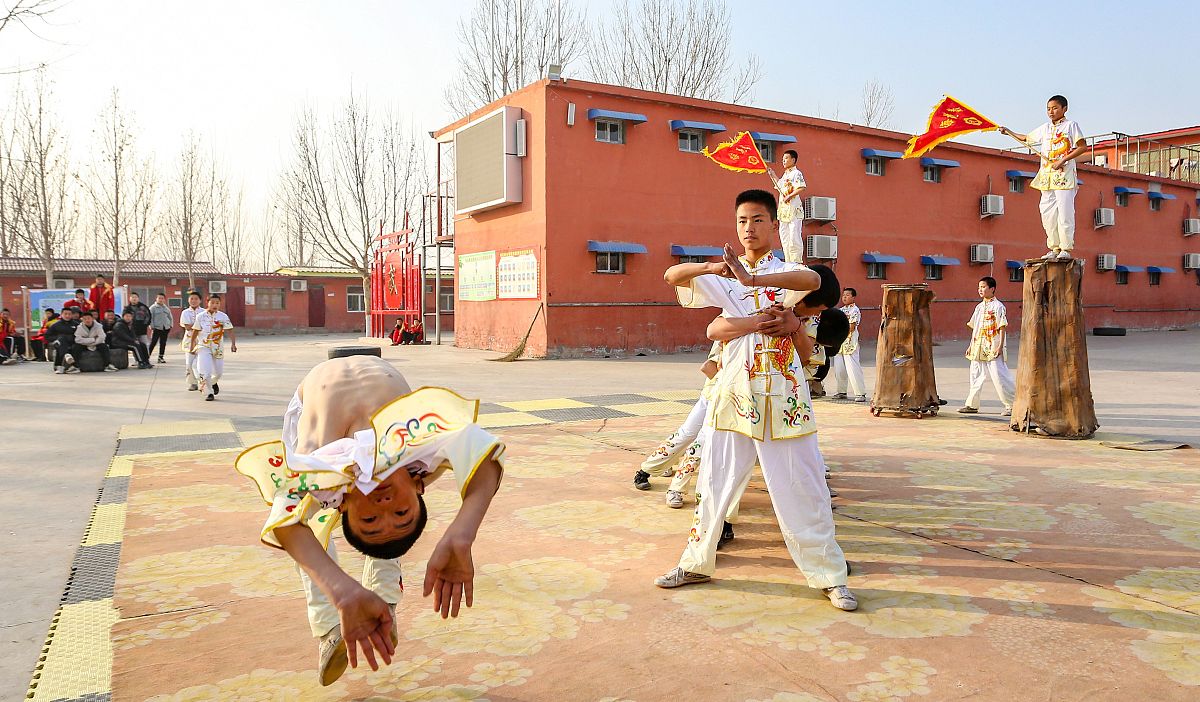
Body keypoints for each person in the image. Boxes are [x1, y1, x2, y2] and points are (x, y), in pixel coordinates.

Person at [233, 355, 505, 686]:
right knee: (372, 525)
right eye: (402, 514)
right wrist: (461, 534)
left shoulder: (321, 472)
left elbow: (286, 524)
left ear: (345, 505)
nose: (385, 505)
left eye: (371, 518)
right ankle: (372, 601)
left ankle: (351, 609)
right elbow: (487, 456)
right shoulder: (421, 448)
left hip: (318, 410)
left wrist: (341, 592)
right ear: (420, 486)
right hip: (371, 421)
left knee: (310, 519)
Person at [652, 189, 856, 611]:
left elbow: (814, 282)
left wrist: (755, 283)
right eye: (743, 220)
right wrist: (717, 268)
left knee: (804, 487)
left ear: (774, 225)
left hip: (785, 398)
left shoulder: (787, 271)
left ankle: (830, 576)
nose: (750, 228)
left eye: (759, 220)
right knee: (713, 483)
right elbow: (672, 277)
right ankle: (695, 562)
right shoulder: (722, 276)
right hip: (735, 395)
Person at [998, 96, 1087, 261]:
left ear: (1064, 109)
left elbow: (1082, 147)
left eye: (1054, 108)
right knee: (1047, 213)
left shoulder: (1071, 126)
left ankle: (1066, 248)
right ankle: (1054, 247)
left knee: (1065, 213)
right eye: (1048, 109)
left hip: (1064, 177)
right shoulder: (1045, 128)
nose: (1051, 112)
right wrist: (1008, 132)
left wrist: (1063, 160)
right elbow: (1026, 138)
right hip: (1046, 177)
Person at [959, 276, 1016, 417]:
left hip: (993, 345)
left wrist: (1000, 346)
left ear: (992, 289)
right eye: (979, 287)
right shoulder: (979, 307)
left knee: (999, 375)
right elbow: (975, 327)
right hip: (978, 345)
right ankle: (972, 404)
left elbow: (1002, 327)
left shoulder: (998, 307)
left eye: (983, 287)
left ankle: (1013, 405)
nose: (980, 290)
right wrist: (971, 345)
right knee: (975, 374)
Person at [188, 294, 237, 401]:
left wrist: (233, 344)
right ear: (207, 303)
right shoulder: (200, 316)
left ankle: (214, 382)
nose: (215, 305)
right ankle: (209, 392)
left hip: (217, 347)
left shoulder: (223, 316)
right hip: (203, 346)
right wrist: (192, 345)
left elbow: (230, 330)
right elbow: (195, 331)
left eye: (217, 303)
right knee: (205, 371)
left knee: (218, 372)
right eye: (212, 302)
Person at [769, 149, 807, 263]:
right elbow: (779, 185)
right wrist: (772, 175)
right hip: (784, 210)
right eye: (783, 159)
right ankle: (788, 261)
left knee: (794, 237)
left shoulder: (797, 173)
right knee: (784, 237)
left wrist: (790, 196)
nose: (783, 161)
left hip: (794, 209)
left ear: (793, 160)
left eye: (786, 158)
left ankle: (796, 261)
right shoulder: (786, 175)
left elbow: (801, 187)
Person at [832, 287, 868, 402]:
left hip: (850, 342)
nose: (845, 297)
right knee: (839, 368)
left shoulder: (855, 310)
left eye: (847, 295)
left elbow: (851, 328)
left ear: (853, 297)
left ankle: (860, 393)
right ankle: (841, 391)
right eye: (844, 295)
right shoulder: (840, 310)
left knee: (852, 367)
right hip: (839, 343)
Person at [180, 290, 203, 391]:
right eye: (192, 299)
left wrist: (197, 327)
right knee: (189, 363)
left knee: (200, 363)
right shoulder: (185, 312)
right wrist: (198, 327)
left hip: (202, 340)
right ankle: (192, 383)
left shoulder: (204, 312)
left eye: (196, 299)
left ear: (200, 300)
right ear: (188, 300)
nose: (194, 301)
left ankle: (201, 382)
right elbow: (187, 327)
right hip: (189, 340)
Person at [46, 308, 79, 374]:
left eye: (69, 314)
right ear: (61, 314)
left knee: (76, 346)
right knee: (62, 340)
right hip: (59, 342)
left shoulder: (76, 325)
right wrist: (57, 338)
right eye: (65, 314)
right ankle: (66, 359)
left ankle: (66, 365)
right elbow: (47, 336)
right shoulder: (56, 325)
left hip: (72, 342)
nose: (67, 316)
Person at [149, 293, 173, 364]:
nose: (161, 300)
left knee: (163, 343)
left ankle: (161, 357)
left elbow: (170, 317)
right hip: (156, 328)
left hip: (165, 328)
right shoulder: (153, 308)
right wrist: (152, 326)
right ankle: (147, 357)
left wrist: (170, 325)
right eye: (159, 298)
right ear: (156, 299)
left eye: (162, 298)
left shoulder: (166, 308)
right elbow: (150, 318)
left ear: (164, 300)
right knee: (153, 343)